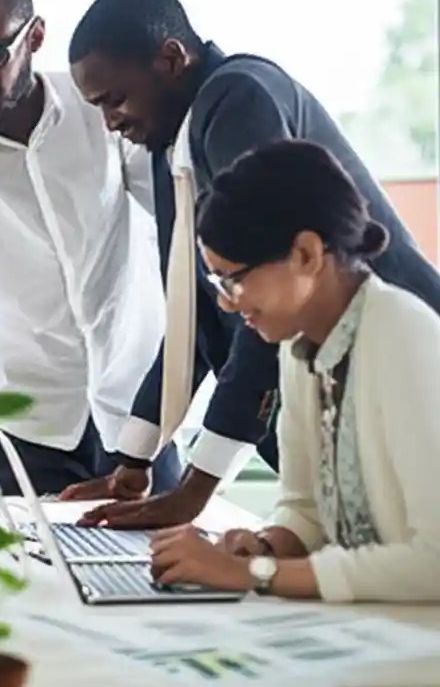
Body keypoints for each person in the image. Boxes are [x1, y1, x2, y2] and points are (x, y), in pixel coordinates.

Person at [62, 0, 440, 527]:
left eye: (114, 99)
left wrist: (194, 491)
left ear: (171, 59)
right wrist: (133, 461)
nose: (110, 122)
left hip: (390, 383)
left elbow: (267, 296)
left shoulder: (240, 100)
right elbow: (194, 309)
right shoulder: (174, 141)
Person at [0, 0, 176, 497]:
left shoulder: (101, 104)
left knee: (163, 570)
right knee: (40, 577)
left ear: (34, 37)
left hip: (139, 408)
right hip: (25, 430)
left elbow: (170, 216)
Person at [150, 140, 440, 602]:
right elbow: (306, 510)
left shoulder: (406, 338)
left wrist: (254, 574)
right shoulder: (300, 345)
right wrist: (264, 546)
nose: (226, 302)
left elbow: (434, 561)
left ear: (306, 253)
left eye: (234, 278)